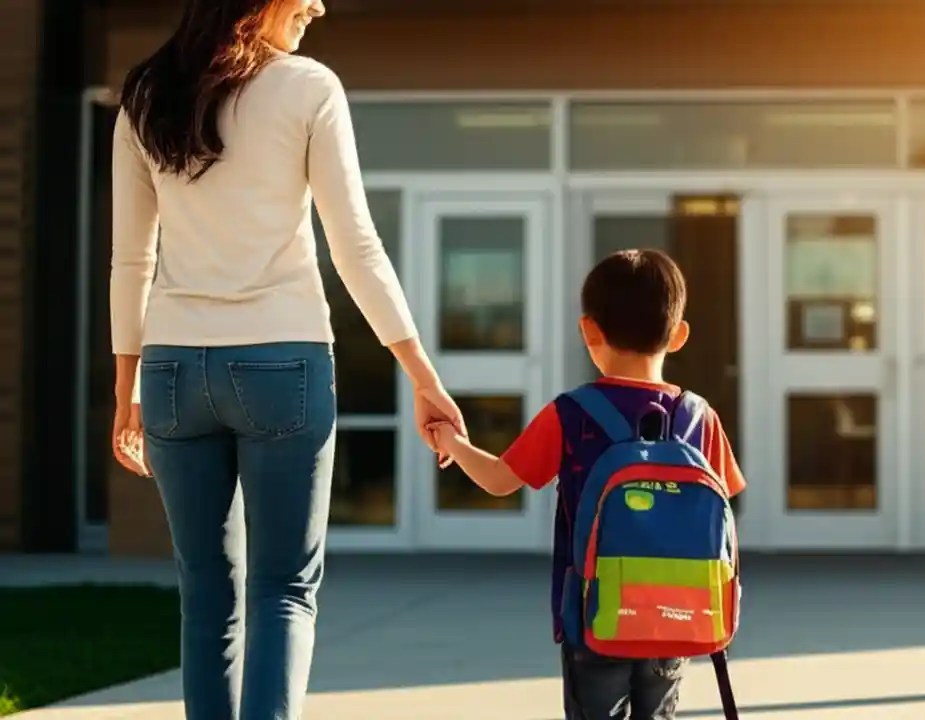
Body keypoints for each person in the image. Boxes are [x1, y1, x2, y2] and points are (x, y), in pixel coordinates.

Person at [108, 1, 463, 718]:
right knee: (283, 589)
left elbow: (130, 260)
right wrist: (423, 376)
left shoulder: (146, 94)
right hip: (281, 365)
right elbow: (355, 246)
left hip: (174, 371)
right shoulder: (307, 88)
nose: (318, 6)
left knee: (205, 593)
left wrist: (128, 392)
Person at [429, 249, 747, 720]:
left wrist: (453, 443)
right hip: (677, 616)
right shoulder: (700, 418)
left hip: (596, 613)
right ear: (678, 336)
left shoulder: (572, 413)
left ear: (588, 331)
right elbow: (724, 501)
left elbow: (499, 480)